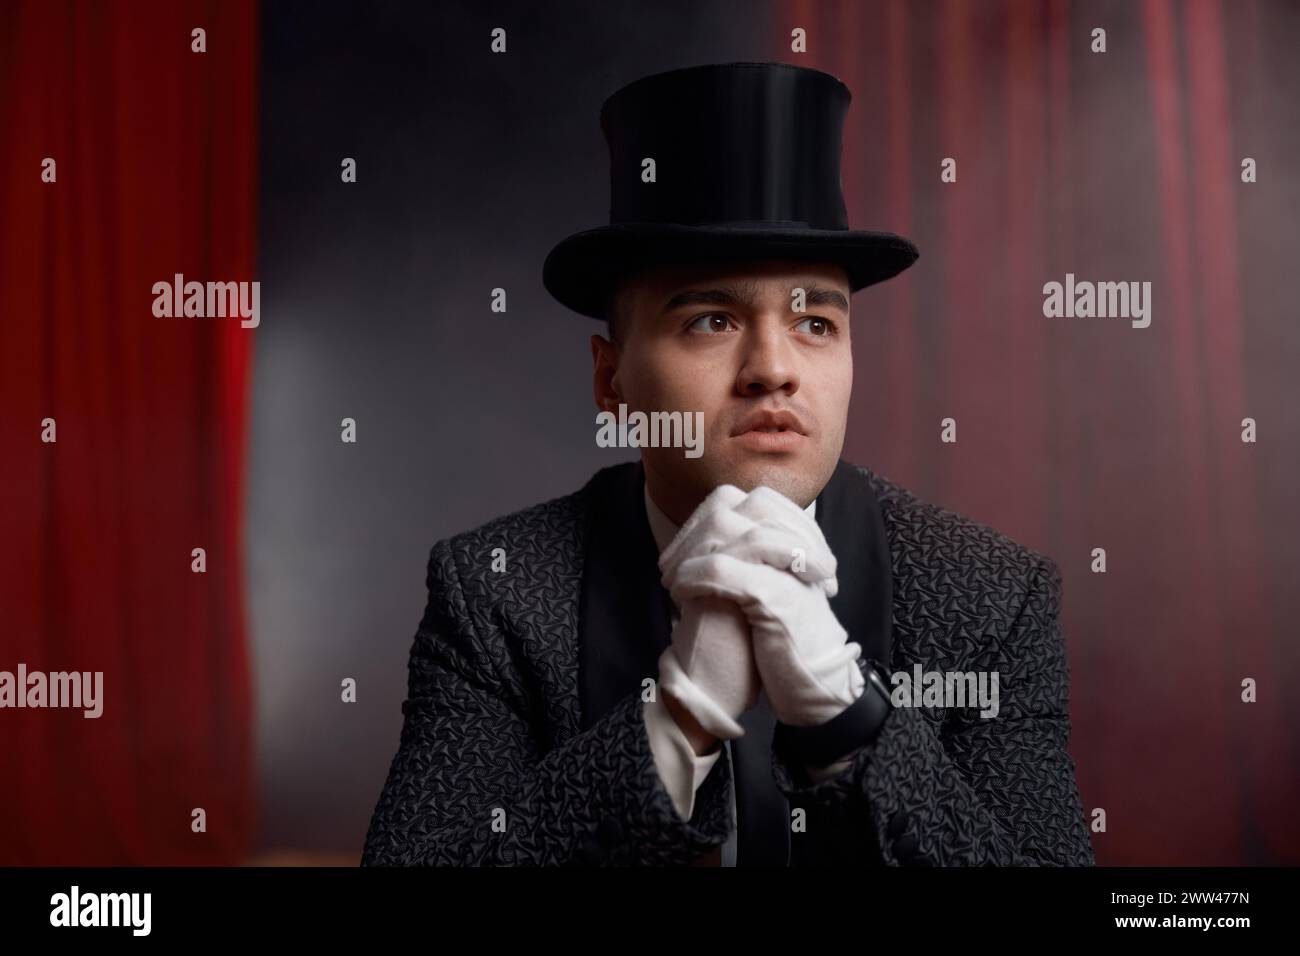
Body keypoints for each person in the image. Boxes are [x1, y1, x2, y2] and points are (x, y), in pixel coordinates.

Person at [361, 62, 1093, 867]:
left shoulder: (989, 595)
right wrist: (677, 719)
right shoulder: (494, 592)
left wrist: (853, 724)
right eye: (712, 319)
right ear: (613, 379)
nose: (773, 368)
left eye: (816, 322)